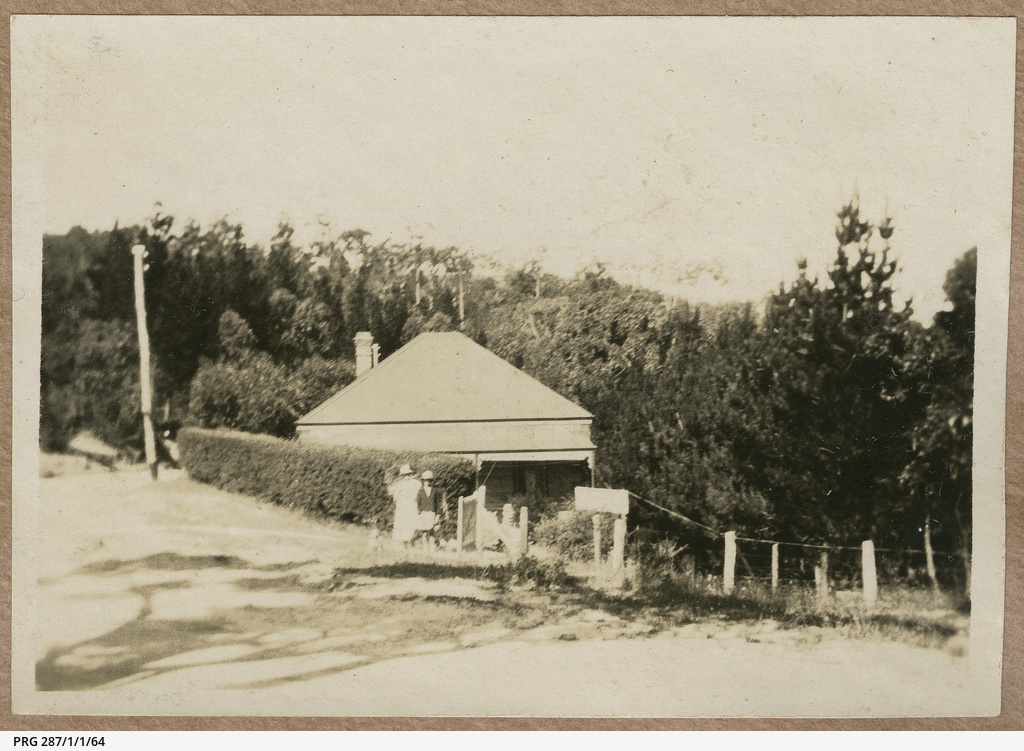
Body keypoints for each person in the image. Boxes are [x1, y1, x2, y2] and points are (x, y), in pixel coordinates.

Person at [388, 464, 420, 547]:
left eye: (408, 475)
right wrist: (398, 493)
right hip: (402, 508)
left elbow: (415, 496)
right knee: (402, 528)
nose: (406, 477)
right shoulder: (400, 484)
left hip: (411, 508)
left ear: (411, 475)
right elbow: (391, 492)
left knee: (411, 528)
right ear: (402, 476)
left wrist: (406, 495)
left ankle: (411, 547)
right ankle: (404, 549)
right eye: (404, 475)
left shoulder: (416, 483)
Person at [413, 470, 447, 551]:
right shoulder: (420, 491)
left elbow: (438, 504)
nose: (427, 482)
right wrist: (418, 513)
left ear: (431, 481)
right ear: (423, 481)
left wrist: (438, 515)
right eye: (425, 480)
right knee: (424, 533)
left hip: (432, 513)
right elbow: (418, 503)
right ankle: (425, 548)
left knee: (431, 532)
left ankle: (432, 548)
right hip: (423, 514)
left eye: (429, 480)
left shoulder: (435, 491)